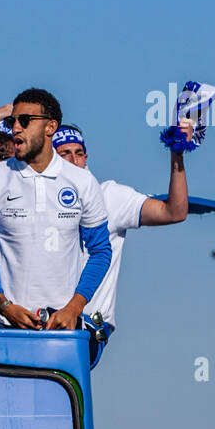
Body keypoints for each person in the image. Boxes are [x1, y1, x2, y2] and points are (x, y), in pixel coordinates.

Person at [0, 89, 111, 333]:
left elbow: (100, 251)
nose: (15, 128)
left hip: (62, 326)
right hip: (3, 324)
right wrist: (4, 305)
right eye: (12, 121)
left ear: (50, 127)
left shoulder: (83, 181)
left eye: (25, 121)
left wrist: (74, 308)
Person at [52, 123, 189, 354]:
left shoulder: (109, 196)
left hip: (86, 328)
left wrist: (177, 154)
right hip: (45, 320)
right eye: (64, 153)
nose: (74, 161)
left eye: (79, 153)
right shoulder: (35, 200)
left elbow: (174, 211)